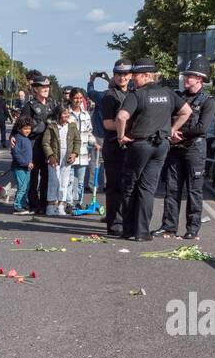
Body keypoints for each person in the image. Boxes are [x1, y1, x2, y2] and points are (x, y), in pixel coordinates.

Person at [115, 60, 190, 241]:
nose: (133, 80)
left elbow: (121, 116)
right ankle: (142, 232)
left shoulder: (137, 95)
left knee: (130, 186)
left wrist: (120, 136)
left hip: (140, 144)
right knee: (148, 188)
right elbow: (186, 111)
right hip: (161, 145)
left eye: (136, 76)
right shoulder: (168, 93)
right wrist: (172, 129)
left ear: (147, 75)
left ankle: (128, 230)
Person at [158, 55, 215, 240]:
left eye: (189, 75)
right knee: (172, 189)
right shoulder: (178, 97)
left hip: (194, 150)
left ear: (199, 78)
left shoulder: (207, 101)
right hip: (175, 149)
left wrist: (179, 134)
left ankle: (192, 228)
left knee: (194, 191)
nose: (185, 78)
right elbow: (167, 117)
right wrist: (170, 132)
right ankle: (168, 226)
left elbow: (201, 128)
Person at [92, 61, 132, 236]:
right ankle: (114, 223)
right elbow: (108, 123)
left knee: (128, 186)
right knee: (114, 186)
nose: (122, 77)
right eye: (118, 74)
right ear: (114, 75)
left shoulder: (134, 94)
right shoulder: (109, 95)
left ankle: (125, 220)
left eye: (125, 74)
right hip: (114, 145)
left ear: (131, 75)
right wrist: (129, 128)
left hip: (131, 145)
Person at [22, 74, 60, 213]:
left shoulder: (53, 104)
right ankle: (33, 203)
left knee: (47, 175)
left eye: (47, 86)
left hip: (49, 145)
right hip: (34, 143)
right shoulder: (30, 106)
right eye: (42, 87)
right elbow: (22, 124)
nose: (45, 89)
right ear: (35, 89)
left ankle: (44, 203)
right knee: (33, 175)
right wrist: (14, 137)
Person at [42, 105, 77, 215]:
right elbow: (45, 142)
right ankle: (51, 205)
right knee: (53, 181)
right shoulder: (51, 126)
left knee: (64, 181)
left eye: (68, 113)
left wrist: (75, 154)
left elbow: (77, 140)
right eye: (64, 113)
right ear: (58, 115)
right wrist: (50, 156)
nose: (67, 115)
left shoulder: (72, 126)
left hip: (67, 157)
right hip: (54, 157)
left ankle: (61, 205)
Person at [67, 87, 94, 210]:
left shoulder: (85, 114)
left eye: (80, 98)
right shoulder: (66, 113)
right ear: (71, 99)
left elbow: (89, 132)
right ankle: (68, 202)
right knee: (69, 179)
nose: (78, 100)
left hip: (83, 152)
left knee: (80, 180)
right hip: (69, 151)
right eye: (75, 98)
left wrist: (94, 143)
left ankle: (79, 201)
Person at [9, 117, 34, 213]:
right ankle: (17, 206)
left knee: (25, 187)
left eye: (29, 128)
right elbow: (15, 153)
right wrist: (26, 163)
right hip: (19, 168)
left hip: (26, 167)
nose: (28, 130)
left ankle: (23, 204)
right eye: (25, 128)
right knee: (22, 187)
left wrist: (29, 163)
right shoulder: (18, 139)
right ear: (19, 129)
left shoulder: (26, 138)